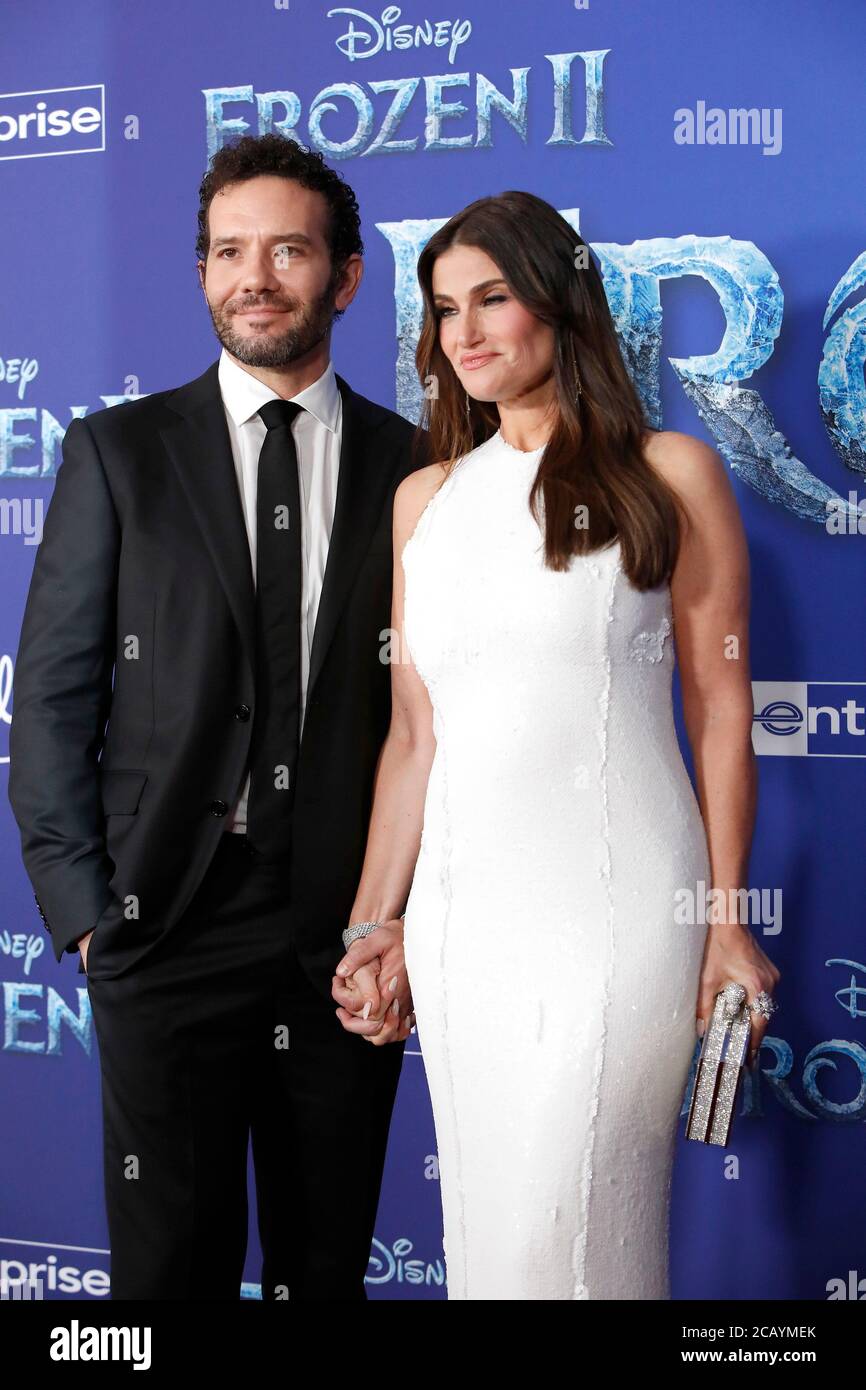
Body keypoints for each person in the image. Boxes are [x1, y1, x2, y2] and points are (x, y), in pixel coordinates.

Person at [333, 190, 781, 1299]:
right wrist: (373, 922)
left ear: (561, 302)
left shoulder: (667, 470)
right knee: (489, 1241)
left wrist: (723, 922)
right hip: (460, 924)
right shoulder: (422, 500)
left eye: (493, 297)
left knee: (571, 1222)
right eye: (443, 310)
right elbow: (411, 737)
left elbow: (721, 705)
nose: (465, 333)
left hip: (619, 909)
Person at [8, 132, 427, 1300]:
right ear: (200, 272)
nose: (255, 276)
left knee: (321, 1266)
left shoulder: (420, 469)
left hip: (343, 933)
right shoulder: (118, 454)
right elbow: (46, 700)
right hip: (164, 924)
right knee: (167, 1273)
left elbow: (436, 718)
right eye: (228, 251)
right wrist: (90, 917)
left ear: (344, 276)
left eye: (288, 249)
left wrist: (398, 918)